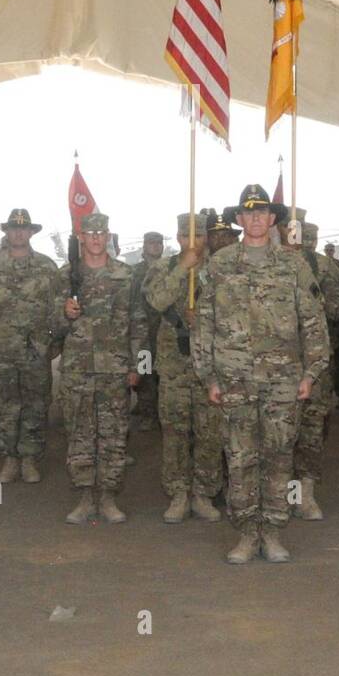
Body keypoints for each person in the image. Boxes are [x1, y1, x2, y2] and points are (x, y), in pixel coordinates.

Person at [194, 185, 328, 564]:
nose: (255, 219)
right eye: (248, 213)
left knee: (279, 457)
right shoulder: (219, 265)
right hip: (234, 379)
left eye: (263, 213)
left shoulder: (293, 265)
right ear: (239, 220)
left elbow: (313, 323)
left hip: (283, 380)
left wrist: (312, 372)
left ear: (272, 220)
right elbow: (203, 324)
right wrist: (208, 376)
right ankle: (246, 533)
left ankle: (272, 531)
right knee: (239, 459)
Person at [53, 213, 144, 524]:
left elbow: (138, 322)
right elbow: (49, 326)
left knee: (114, 436)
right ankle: (84, 498)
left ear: (108, 236)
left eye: (100, 233)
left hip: (115, 369)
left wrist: (138, 366)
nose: (94, 238)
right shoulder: (66, 276)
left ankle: (107, 498)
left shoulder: (125, 275)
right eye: (89, 233)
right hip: (77, 369)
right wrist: (63, 314)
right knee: (79, 434)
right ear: (81, 237)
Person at [0, 208, 60, 484]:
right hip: (2, 351)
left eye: (24, 229)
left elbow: (58, 309)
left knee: (36, 404)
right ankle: (9, 458)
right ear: (6, 233)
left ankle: (30, 458)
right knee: (6, 405)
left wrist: (55, 340)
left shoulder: (47, 267)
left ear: (31, 233)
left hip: (36, 351)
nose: (18, 233)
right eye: (13, 229)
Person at [142, 212, 224, 524]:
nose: (194, 242)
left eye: (200, 236)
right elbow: (157, 301)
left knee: (209, 431)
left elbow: (232, 310)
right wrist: (182, 269)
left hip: (210, 367)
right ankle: (178, 492)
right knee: (175, 430)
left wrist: (201, 318)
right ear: (178, 238)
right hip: (175, 365)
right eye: (187, 236)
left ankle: (203, 492)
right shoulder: (162, 268)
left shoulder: (220, 269)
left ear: (207, 238)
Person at [286, 216, 339, 520]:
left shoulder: (324, 267)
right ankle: (285, 492)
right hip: (276, 363)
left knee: (310, 432)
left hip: (313, 360)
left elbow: (337, 309)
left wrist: (310, 289)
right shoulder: (269, 263)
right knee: (279, 434)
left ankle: (305, 494)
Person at [129, 231, 165, 431]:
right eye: (151, 243)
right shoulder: (135, 272)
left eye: (158, 243)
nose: (155, 246)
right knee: (144, 371)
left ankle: (159, 411)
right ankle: (146, 412)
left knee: (162, 373)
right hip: (143, 332)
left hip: (163, 331)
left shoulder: (169, 269)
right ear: (144, 246)